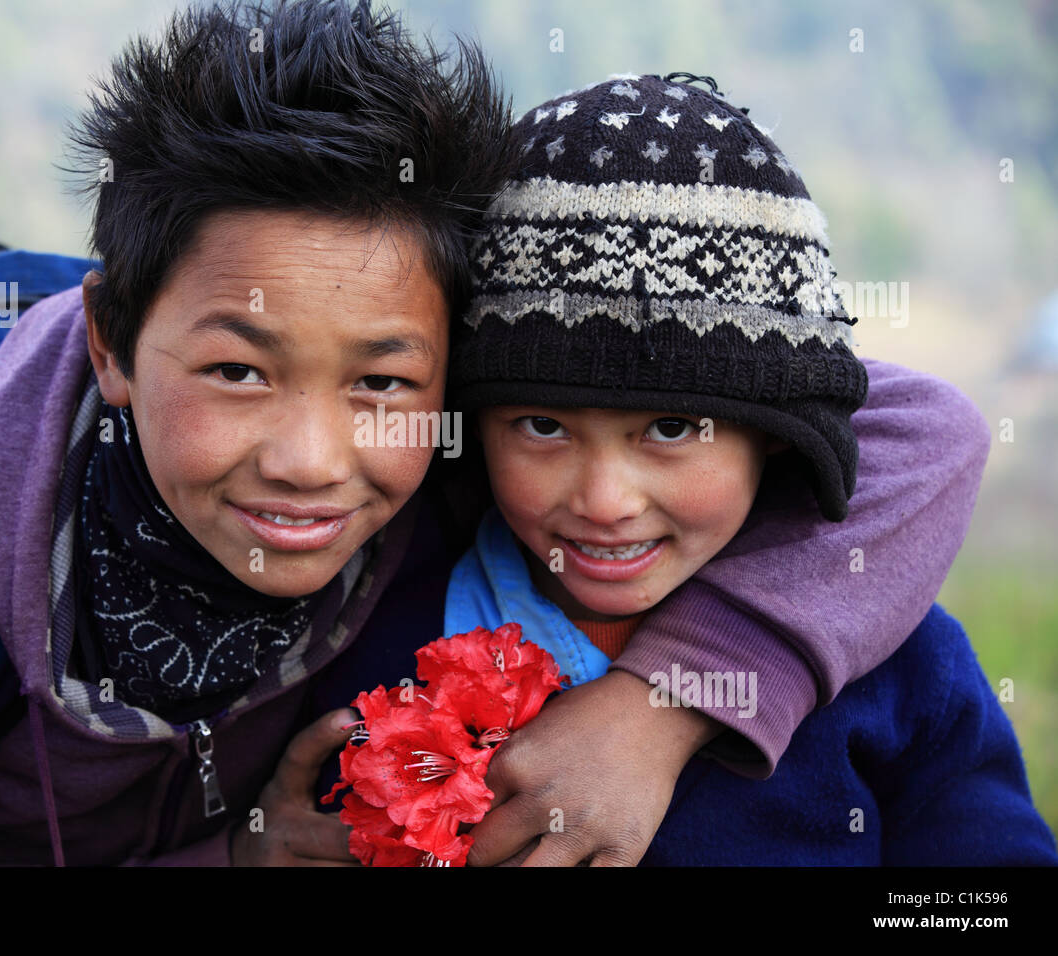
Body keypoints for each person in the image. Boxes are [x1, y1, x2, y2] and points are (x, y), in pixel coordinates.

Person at [0, 5, 989, 867]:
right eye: (238, 369)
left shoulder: (471, 470)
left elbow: (923, 429)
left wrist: (655, 704)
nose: (311, 459)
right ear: (112, 344)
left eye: (381, 379)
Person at [327, 72, 1056, 864]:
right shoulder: (374, 632)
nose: (605, 501)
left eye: (671, 429)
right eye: (542, 426)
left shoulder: (889, 655)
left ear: (776, 432)